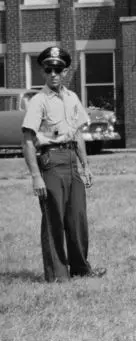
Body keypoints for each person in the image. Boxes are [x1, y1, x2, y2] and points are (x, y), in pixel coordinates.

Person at [21, 46, 106, 282]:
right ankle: (58, 274)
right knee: (54, 220)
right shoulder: (38, 101)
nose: (54, 74)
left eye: (58, 69)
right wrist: (36, 176)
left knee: (77, 218)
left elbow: (77, 134)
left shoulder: (72, 98)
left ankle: (80, 268)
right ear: (43, 72)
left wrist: (85, 166)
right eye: (49, 69)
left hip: (71, 161)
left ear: (65, 72)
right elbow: (28, 141)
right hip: (50, 161)